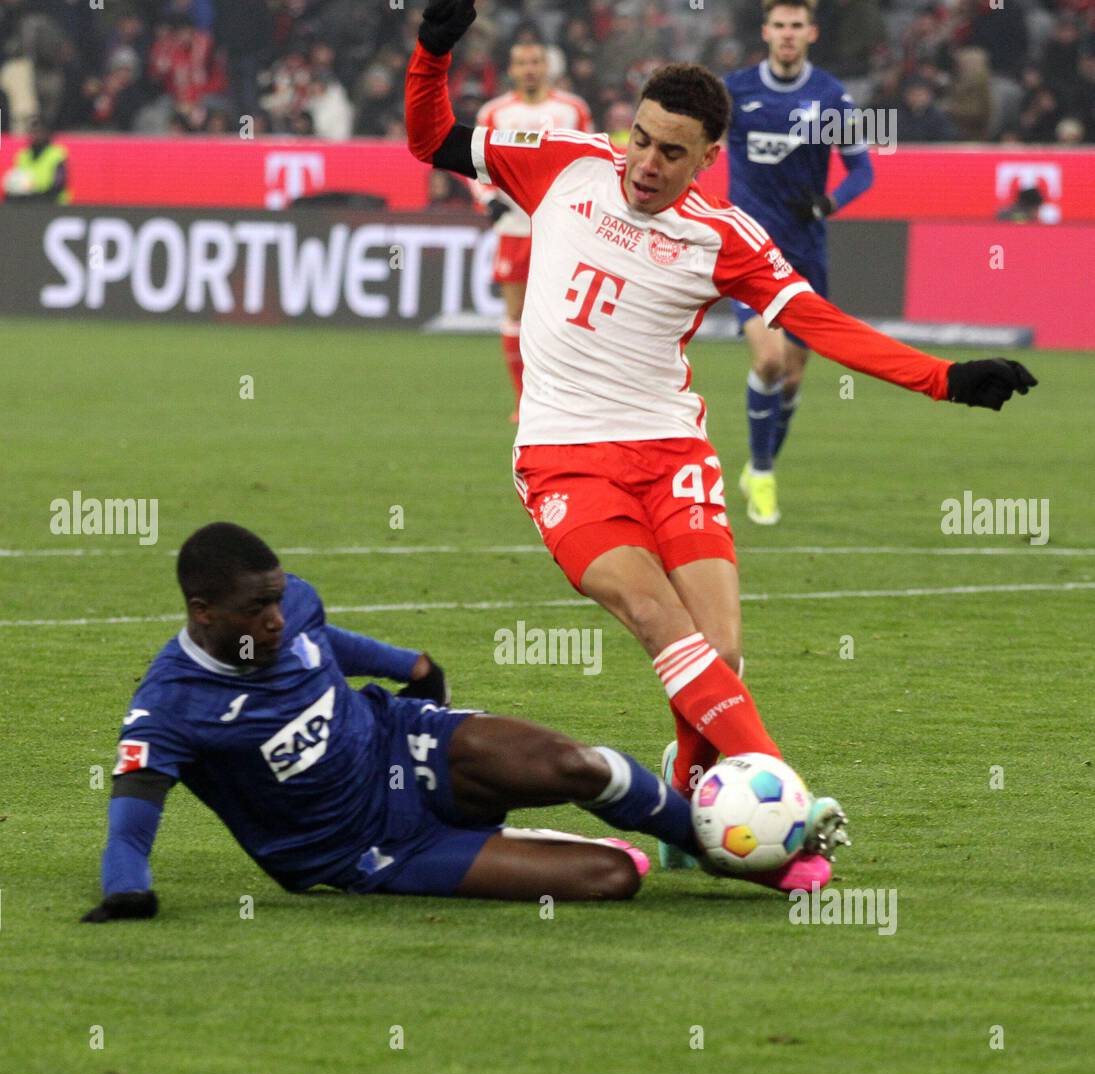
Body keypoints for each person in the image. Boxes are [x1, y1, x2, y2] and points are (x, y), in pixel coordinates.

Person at [405, 0, 1036, 879]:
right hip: (563, 458)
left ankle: (684, 798)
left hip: (669, 453)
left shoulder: (722, 236)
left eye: (673, 152)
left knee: (722, 649)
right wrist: (433, 50)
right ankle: (787, 811)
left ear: (708, 160)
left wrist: (944, 379)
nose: (647, 164)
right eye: (641, 139)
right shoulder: (563, 165)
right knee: (660, 620)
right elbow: (430, 139)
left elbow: (819, 321)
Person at [82, 522, 771, 923]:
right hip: (368, 848)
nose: (276, 618)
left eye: (279, 599)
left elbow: (326, 642)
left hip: (402, 741)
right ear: (203, 613)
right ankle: (510, 837)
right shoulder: (169, 707)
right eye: (257, 609)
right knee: (612, 880)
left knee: (573, 765)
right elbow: (133, 815)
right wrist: (127, 892)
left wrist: (408, 666)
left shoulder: (291, 609)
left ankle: (726, 852)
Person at [724, 0, 875, 525]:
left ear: (811, 33)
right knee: (766, 361)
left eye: (797, 27)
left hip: (806, 254)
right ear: (766, 31)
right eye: (779, 26)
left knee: (790, 376)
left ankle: (761, 463)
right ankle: (762, 475)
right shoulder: (735, 91)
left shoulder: (831, 98)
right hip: (749, 251)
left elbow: (862, 172)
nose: (787, 35)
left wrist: (828, 203)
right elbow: (695, 142)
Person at [474, 38, 593, 421]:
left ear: (547, 67)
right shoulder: (495, 113)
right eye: (522, 62)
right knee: (517, 311)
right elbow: (475, 162)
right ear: (511, 70)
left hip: (562, 225)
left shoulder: (572, 109)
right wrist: (488, 200)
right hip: (514, 224)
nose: (529, 69)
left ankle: (564, 394)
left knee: (565, 314)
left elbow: (592, 159)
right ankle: (523, 399)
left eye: (536, 61)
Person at [4, 116, 70, 203]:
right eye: (34, 132)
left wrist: (37, 196)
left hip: (52, 202)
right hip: (26, 200)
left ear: (48, 134)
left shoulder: (57, 154)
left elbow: (58, 185)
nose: (36, 136)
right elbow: (17, 178)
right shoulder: (23, 155)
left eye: (40, 132)